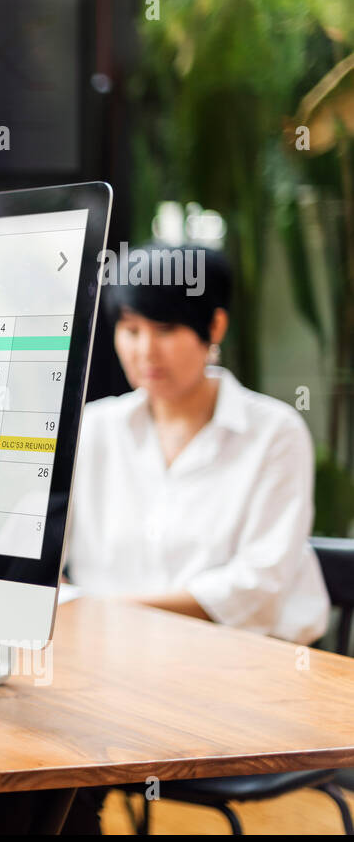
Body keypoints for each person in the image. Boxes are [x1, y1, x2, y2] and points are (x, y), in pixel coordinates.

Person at [66, 245, 330, 644]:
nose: (145, 351)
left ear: (216, 327)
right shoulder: (93, 428)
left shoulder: (275, 433)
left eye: (166, 329)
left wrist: (108, 613)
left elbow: (256, 589)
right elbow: (36, 550)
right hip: (108, 655)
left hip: (245, 665)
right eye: (131, 329)